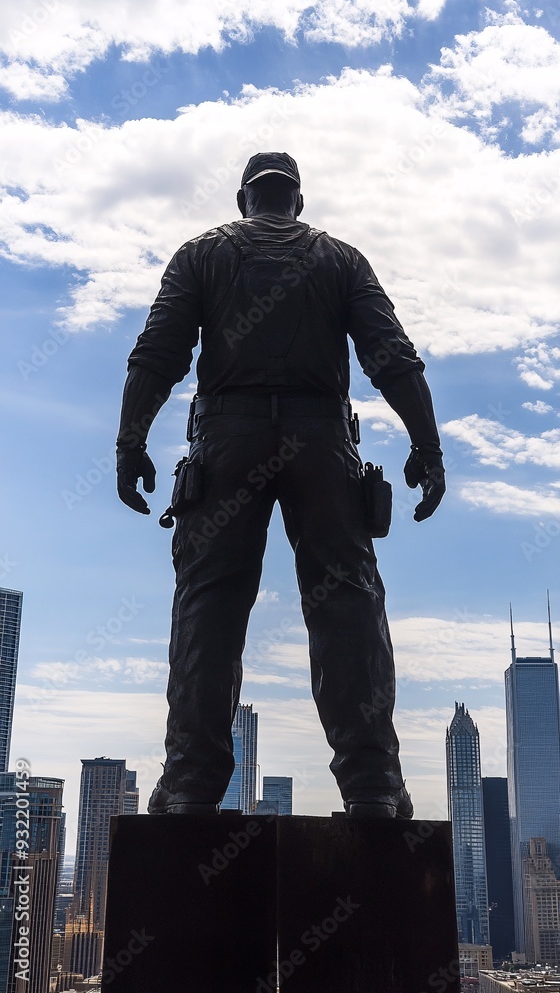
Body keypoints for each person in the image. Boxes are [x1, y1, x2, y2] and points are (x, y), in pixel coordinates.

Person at [116, 151, 445, 818]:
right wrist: (427, 447)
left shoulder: (201, 254)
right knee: (347, 599)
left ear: (245, 199)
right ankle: (374, 786)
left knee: (210, 600)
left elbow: (158, 353)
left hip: (226, 439)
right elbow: (391, 356)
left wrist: (131, 442)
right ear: (296, 200)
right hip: (321, 440)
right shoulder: (340, 259)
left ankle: (190, 785)